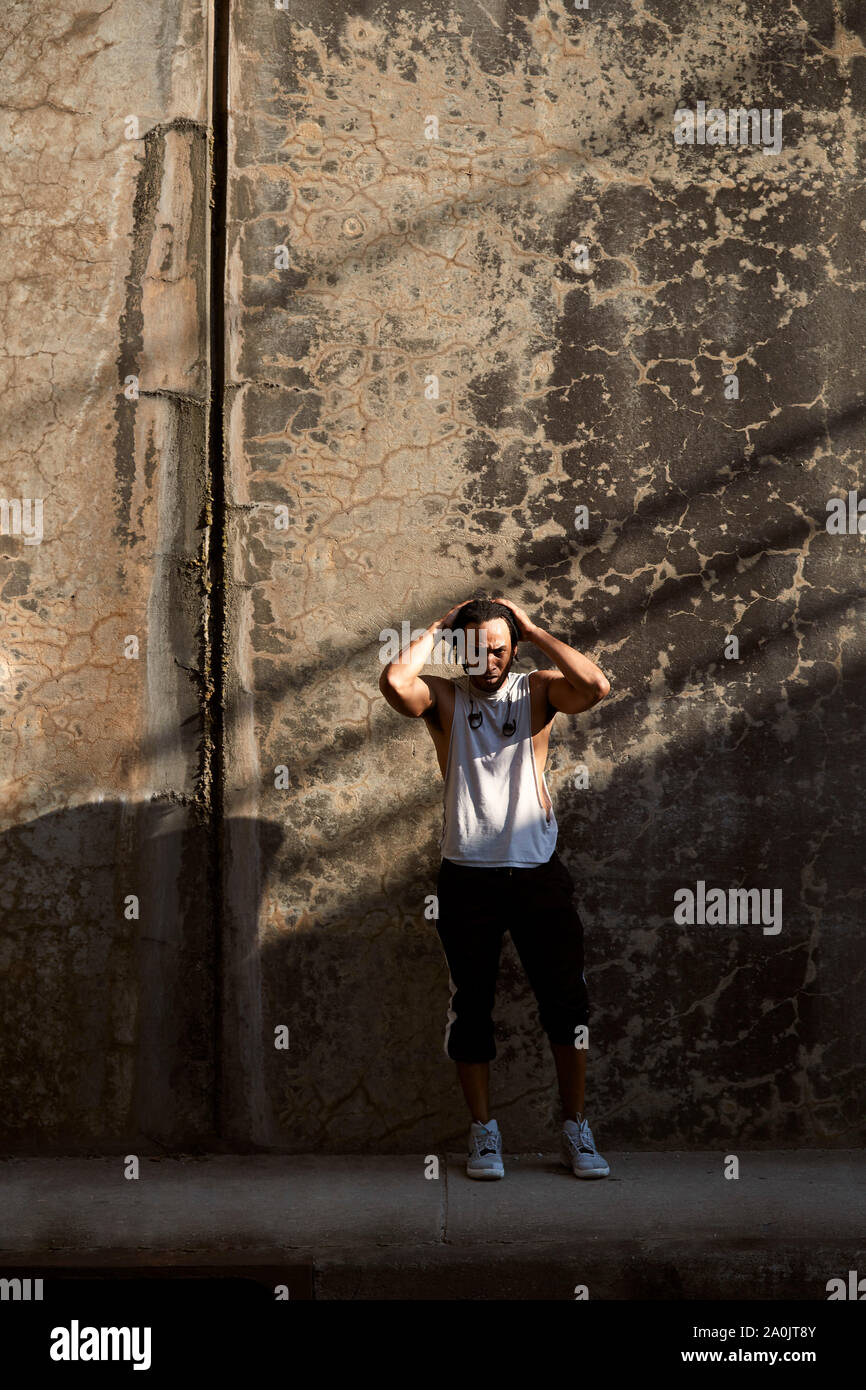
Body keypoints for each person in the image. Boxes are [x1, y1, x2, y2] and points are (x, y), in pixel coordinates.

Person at [378, 594, 611, 1180]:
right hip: (467, 878)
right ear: (461, 650)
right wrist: (437, 628)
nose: (489, 663)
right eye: (475, 651)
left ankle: (576, 1129)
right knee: (471, 1009)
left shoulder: (536, 691)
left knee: (567, 1005)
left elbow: (595, 686)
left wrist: (531, 630)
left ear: (514, 648)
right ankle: (484, 1134)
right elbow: (393, 681)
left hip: (538, 873)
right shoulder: (446, 698)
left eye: (500, 650)